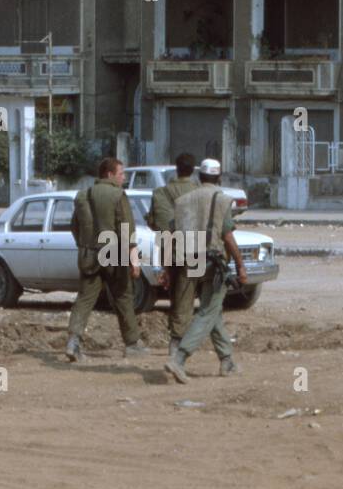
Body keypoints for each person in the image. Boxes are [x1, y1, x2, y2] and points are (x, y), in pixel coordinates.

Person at [165, 158, 247, 384]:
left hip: (188, 260)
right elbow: (227, 236)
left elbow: (170, 234)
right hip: (213, 261)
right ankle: (179, 358)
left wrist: (166, 266)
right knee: (208, 310)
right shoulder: (221, 200)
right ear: (219, 177)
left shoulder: (183, 201)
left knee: (213, 310)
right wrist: (240, 265)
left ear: (199, 177)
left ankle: (227, 360)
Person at [65, 157, 149, 362]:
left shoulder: (82, 195)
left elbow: (74, 227)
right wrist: (133, 260)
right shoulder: (118, 195)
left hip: (88, 254)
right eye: (121, 174)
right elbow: (126, 229)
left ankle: (73, 342)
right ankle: (132, 344)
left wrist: (85, 246)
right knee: (123, 297)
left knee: (84, 299)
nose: (124, 178)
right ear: (110, 175)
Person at [147, 153, 200, 358]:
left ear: (176, 169)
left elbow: (156, 225)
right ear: (192, 169)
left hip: (168, 249)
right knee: (186, 298)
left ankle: (178, 337)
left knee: (175, 296)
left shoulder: (161, 193)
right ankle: (177, 342)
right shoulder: (199, 193)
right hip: (193, 251)